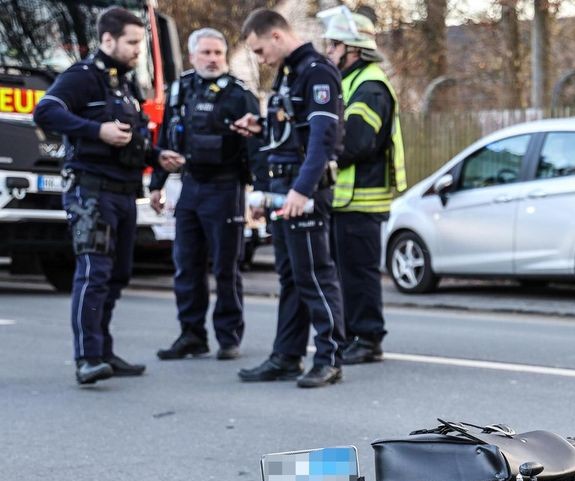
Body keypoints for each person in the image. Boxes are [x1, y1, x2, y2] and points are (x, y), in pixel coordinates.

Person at [33, 6, 185, 385]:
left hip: (122, 192)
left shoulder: (125, 83)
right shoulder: (83, 77)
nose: (138, 50)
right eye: (132, 43)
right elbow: (46, 111)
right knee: (94, 274)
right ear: (107, 40)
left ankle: (103, 350)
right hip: (92, 191)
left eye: (140, 43)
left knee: (117, 275)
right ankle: (87, 357)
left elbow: (130, 139)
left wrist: (156, 156)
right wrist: (95, 131)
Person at [231, 9, 347, 388]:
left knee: (315, 275)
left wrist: (302, 189)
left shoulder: (317, 71)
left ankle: (329, 358)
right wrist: (260, 126)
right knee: (292, 277)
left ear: (278, 37)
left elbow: (322, 138)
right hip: (283, 191)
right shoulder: (288, 73)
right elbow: (292, 128)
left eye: (261, 50)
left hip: (303, 192)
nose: (260, 59)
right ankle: (286, 355)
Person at [151, 27, 268, 362]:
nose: (213, 59)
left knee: (226, 268)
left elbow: (256, 146)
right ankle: (191, 335)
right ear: (192, 56)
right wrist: (156, 183)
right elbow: (166, 141)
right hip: (191, 187)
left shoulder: (238, 94)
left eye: (219, 53)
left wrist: (259, 192)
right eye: (206, 53)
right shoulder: (179, 90)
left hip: (226, 187)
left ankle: (228, 336)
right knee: (186, 264)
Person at [320, 7, 405, 364]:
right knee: (347, 272)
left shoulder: (369, 86)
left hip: (362, 200)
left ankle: (368, 338)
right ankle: (355, 335)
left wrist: (325, 155)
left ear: (351, 49)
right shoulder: (354, 81)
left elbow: (354, 142)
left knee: (359, 274)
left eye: (333, 45)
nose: (329, 52)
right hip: (348, 199)